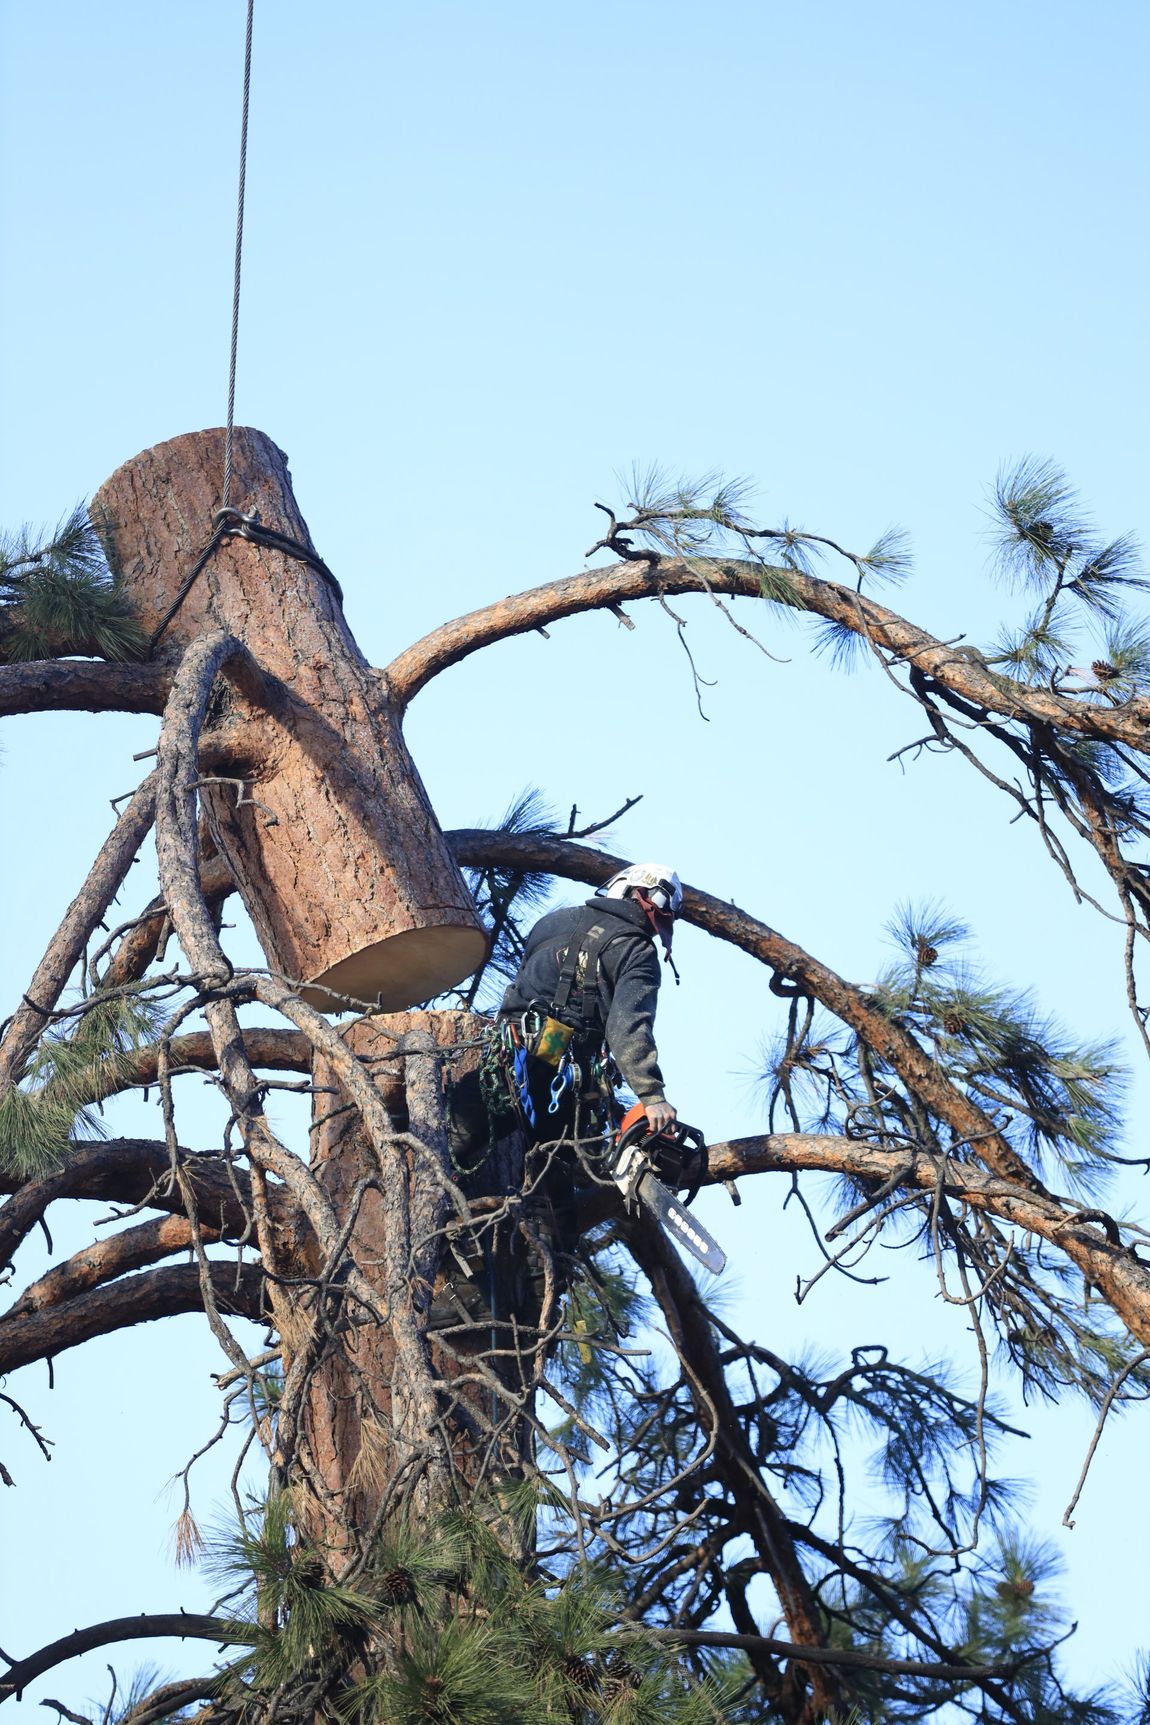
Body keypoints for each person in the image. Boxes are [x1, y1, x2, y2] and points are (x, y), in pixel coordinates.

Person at [500, 861, 682, 1140]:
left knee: (463, 1134)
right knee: (565, 1158)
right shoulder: (637, 949)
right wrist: (652, 1095)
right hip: (558, 1064)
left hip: (506, 1046)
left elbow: (519, 982)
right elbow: (628, 1027)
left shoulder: (554, 921)